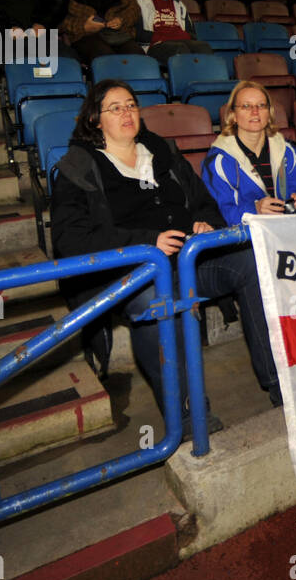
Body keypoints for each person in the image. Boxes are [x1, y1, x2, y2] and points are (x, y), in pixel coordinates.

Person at [51, 80, 283, 417]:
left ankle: (279, 384)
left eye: (131, 105)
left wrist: (206, 224)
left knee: (250, 262)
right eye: (115, 108)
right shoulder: (79, 167)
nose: (127, 112)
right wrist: (146, 243)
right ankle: (188, 416)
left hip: (188, 259)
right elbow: (71, 241)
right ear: (94, 120)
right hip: (132, 271)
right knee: (156, 300)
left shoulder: (160, 150)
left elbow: (204, 202)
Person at [203, 80, 296, 222]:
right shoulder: (219, 161)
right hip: (246, 240)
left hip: (287, 231)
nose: (255, 111)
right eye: (246, 106)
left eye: (261, 105)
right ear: (233, 115)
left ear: (269, 113)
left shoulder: (287, 151)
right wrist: (254, 209)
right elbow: (221, 214)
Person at [134, 0, 211, 63]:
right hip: (156, 45)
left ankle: (205, 79)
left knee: (204, 47)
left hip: (180, 41)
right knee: (180, 49)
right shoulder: (141, 1)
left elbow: (190, 32)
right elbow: (137, 32)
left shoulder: (178, 4)